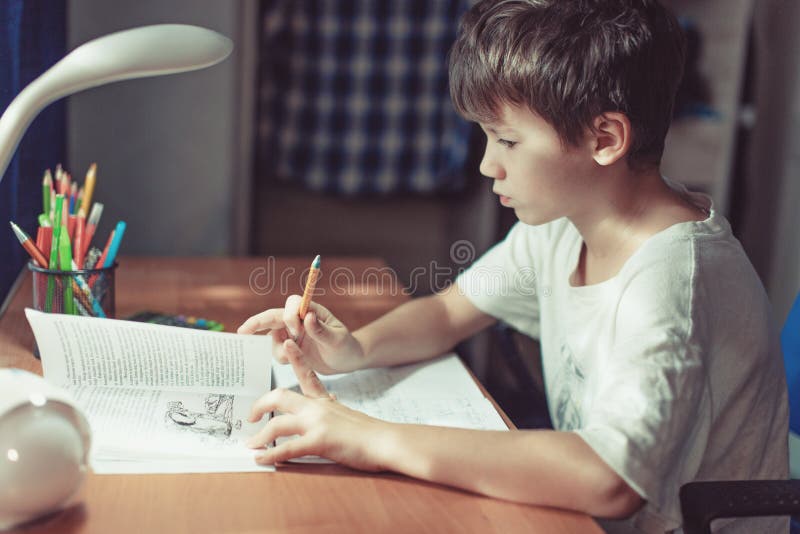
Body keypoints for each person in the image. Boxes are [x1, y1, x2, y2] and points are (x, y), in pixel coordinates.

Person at [238, 1, 789, 532]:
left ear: (605, 139)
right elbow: (449, 312)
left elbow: (609, 480)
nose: (486, 164)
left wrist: (371, 437)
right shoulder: (564, 225)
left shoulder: (670, 281)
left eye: (507, 139)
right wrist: (353, 350)